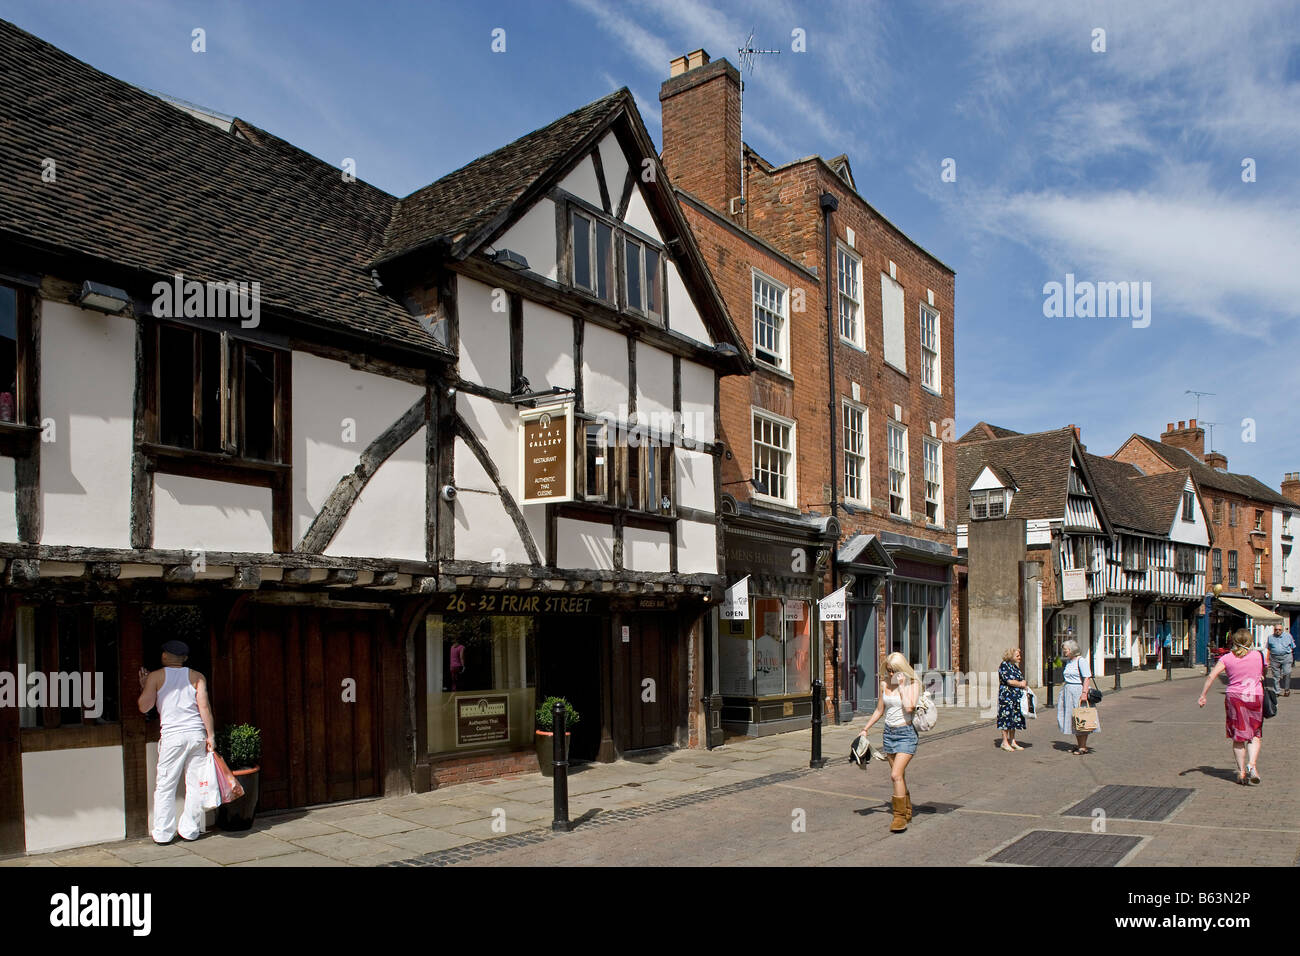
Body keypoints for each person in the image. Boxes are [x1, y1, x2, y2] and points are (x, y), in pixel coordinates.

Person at [137, 640, 215, 844]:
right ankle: (190, 830)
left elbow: (144, 707)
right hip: (196, 733)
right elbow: (204, 708)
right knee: (196, 784)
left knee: (165, 784)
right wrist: (211, 735)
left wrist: (145, 686)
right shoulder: (197, 677)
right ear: (185, 658)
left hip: (172, 736)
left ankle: (163, 832)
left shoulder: (155, 676)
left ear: (164, 656)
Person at [860, 652, 921, 833]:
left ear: (902, 669)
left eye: (894, 670)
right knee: (899, 776)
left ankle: (899, 817)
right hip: (889, 734)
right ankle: (907, 808)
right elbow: (880, 710)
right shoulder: (884, 684)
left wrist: (902, 687)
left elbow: (909, 707)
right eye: (888, 670)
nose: (891, 674)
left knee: (895, 775)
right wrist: (866, 728)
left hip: (906, 734)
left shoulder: (913, 684)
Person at [1199, 628, 1266, 785]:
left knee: (1238, 735)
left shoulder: (1227, 658)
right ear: (1250, 641)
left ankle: (1242, 772)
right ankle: (1253, 765)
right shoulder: (1258, 656)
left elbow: (1211, 676)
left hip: (1235, 698)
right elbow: (1261, 672)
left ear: (1233, 642)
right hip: (1255, 697)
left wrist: (1203, 695)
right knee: (1255, 733)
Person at [1056, 639, 1098, 754]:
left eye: (1065, 649)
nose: (1064, 651)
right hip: (1068, 691)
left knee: (1082, 718)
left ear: (1071, 650)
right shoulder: (1069, 661)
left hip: (1078, 691)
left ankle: (1083, 746)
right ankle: (1079, 744)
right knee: (1073, 719)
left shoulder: (1081, 661)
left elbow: (1087, 678)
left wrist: (1084, 693)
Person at [997, 647, 1029, 751]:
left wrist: (1023, 684)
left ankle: (1012, 741)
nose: (1020, 657)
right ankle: (1004, 742)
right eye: (1017, 655)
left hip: (1016, 696)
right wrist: (1021, 683)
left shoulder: (1014, 667)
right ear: (1011, 656)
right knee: (1006, 718)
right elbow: (1009, 681)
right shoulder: (1004, 665)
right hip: (1007, 696)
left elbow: (1020, 678)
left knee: (1014, 718)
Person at [1266, 622, 1294, 698]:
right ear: (1274, 630)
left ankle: (1287, 689)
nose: (1277, 631)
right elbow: (1268, 648)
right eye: (1276, 629)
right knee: (1276, 676)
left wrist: (1290, 656)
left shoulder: (1288, 636)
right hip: (1274, 658)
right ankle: (1277, 691)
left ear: (1282, 630)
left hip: (1286, 657)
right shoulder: (1270, 637)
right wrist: (1267, 659)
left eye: (1279, 629)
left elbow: (1292, 646)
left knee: (1287, 673)